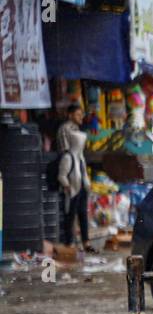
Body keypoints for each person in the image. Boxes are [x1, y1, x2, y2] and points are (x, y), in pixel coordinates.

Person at [56, 103, 93, 251]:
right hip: (71, 176)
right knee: (70, 214)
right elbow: (64, 152)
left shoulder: (77, 131)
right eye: (78, 114)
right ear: (70, 114)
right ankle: (69, 242)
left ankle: (86, 242)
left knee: (82, 212)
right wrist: (66, 184)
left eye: (81, 115)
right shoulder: (65, 129)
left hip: (80, 177)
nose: (80, 117)